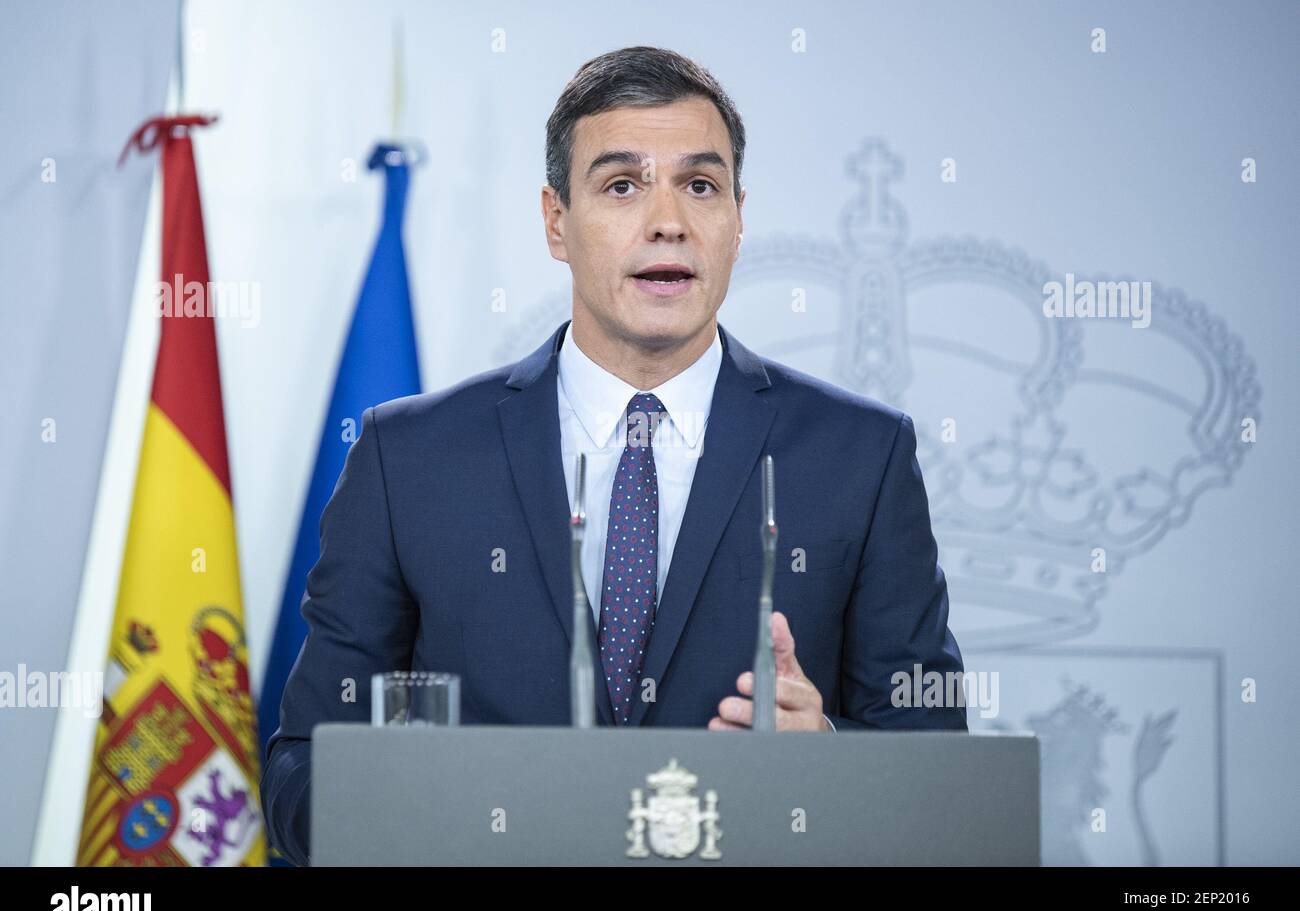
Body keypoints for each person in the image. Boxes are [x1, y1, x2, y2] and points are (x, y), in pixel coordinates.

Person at [262, 45, 965, 867]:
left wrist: (832, 763)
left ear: (739, 221)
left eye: (700, 186)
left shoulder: (861, 455)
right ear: (556, 222)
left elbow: (941, 783)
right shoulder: (407, 457)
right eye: (622, 184)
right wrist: (431, 800)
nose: (667, 220)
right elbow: (297, 778)